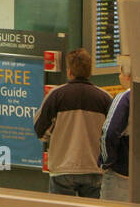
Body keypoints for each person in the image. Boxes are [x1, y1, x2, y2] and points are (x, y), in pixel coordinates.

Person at [33, 49, 113, 198]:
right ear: (90, 72)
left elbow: (40, 131)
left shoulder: (56, 96)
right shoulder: (105, 98)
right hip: (94, 168)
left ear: (69, 72)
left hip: (62, 169)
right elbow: (111, 134)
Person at [100, 59, 133, 202]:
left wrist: (106, 162)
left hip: (121, 175)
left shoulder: (124, 98)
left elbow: (108, 133)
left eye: (120, 72)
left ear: (127, 76)